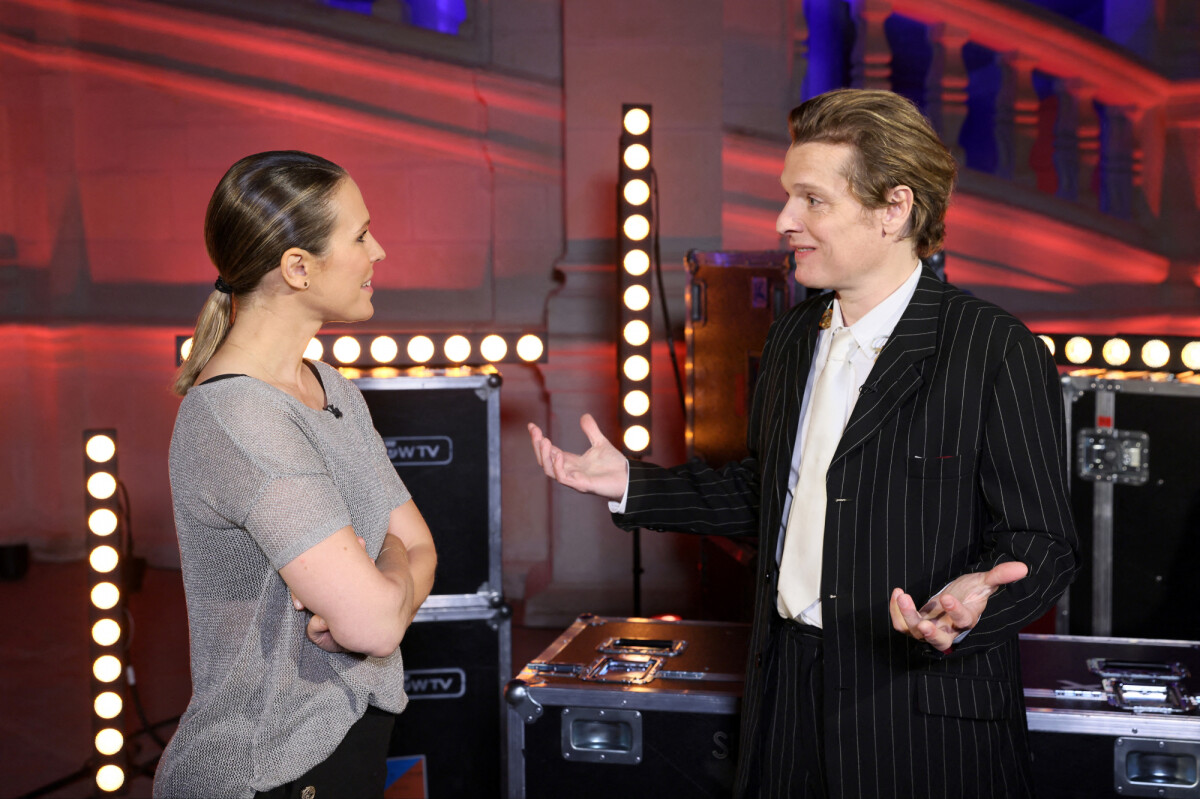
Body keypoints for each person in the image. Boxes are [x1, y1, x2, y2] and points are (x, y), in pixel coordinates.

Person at [529, 89, 1077, 799]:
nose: (785, 221)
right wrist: (632, 484)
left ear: (894, 208)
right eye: (789, 197)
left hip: (921, 713)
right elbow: (772, 494)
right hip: (786, 693)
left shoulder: (994, 348)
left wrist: (978, 603)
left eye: (812, 200)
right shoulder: (793, 336)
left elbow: (1044, 543)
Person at [155, 151, 437, 799]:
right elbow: (376, 623)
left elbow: (422, 547)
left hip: (348, 749)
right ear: (297, 267)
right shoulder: (238, 416)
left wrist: (382, 580)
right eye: (361, 234)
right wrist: (385, 585)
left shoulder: (333, 389)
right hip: (266, 773)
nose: (380, 251)